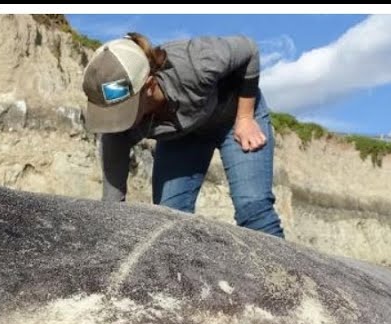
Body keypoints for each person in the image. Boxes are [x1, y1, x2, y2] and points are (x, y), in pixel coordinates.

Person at [81, 32, 285, 239]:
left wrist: (245, 117)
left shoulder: (195, 62)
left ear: (149, 86)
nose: (118, 121)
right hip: (182, 135)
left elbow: (249, 50)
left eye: (124, 111)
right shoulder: (117, 131)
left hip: (233, 117)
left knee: (253, 209)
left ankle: (287, 272)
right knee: (168, 217)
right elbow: (112, 204)